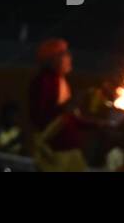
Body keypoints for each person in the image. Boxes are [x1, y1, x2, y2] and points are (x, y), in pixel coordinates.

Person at [28, 37, 86, 171]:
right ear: (54, 59)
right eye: (65, 54)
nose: (69, 58)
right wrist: (68, 106)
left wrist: (101, 124)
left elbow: (70, 117)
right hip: (55, 153)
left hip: (68, 151)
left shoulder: (61, 80)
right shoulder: (45, 81)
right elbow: (42, 116)